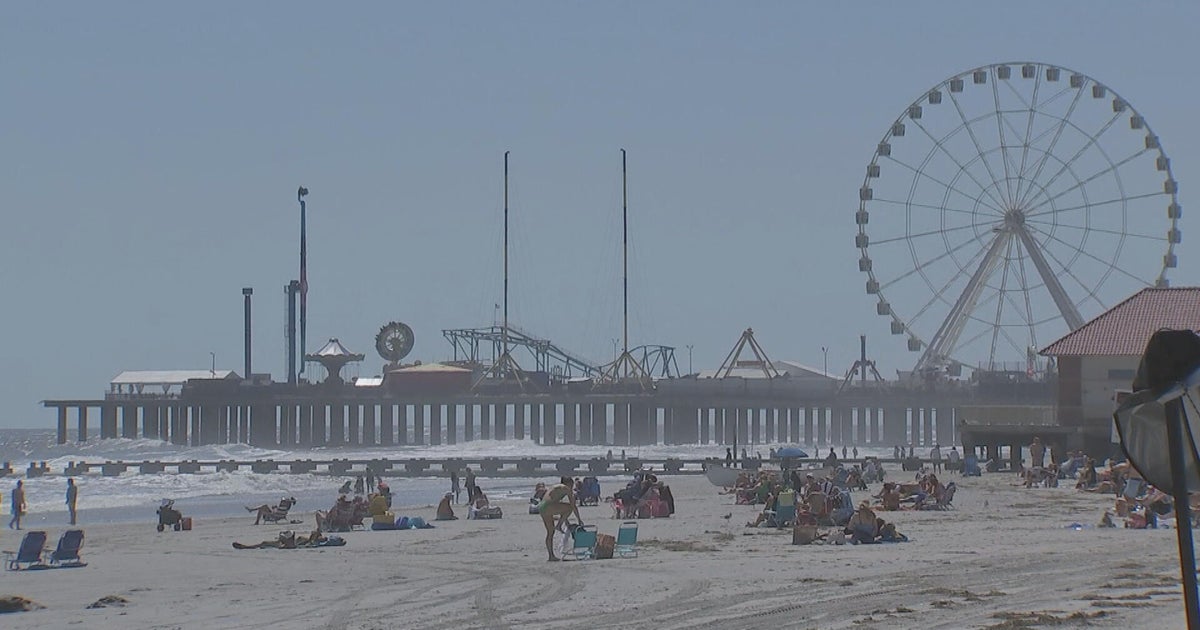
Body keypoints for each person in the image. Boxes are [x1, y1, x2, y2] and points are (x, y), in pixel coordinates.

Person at [538, 476, 583, 561]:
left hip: (542, 507)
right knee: (569, 507)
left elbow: (560, 509)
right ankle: (559, 525)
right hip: (549, 506)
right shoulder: (565, 488)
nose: (572, 487)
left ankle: (551, 556)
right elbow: (573, 505)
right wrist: (579, 519)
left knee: (550, 533)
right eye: (572, 485)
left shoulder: (556, 488)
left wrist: (566, 521)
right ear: (569, 483)